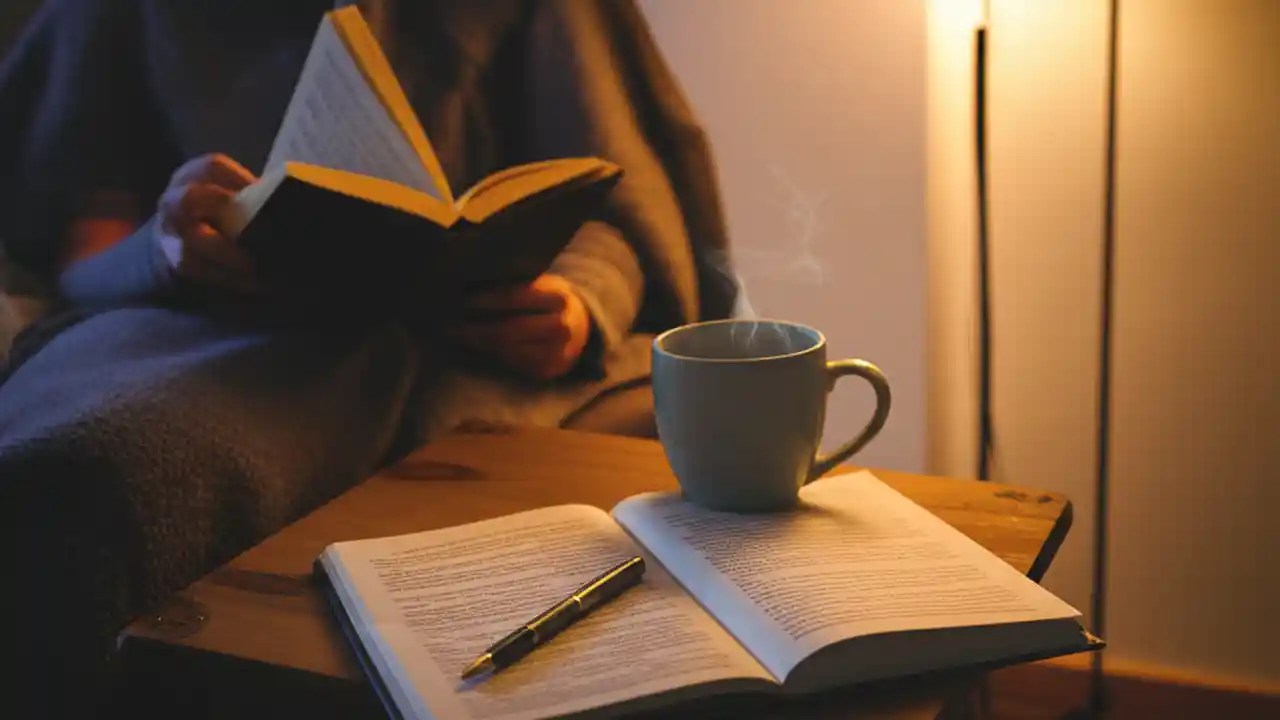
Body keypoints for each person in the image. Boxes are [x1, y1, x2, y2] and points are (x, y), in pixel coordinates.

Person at [0, 0, 735, 711]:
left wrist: (575, 305)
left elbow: (619, 211)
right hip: (209, 335)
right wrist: (163, 249)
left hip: (477, 350)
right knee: (97, 470)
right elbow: (79, 253)